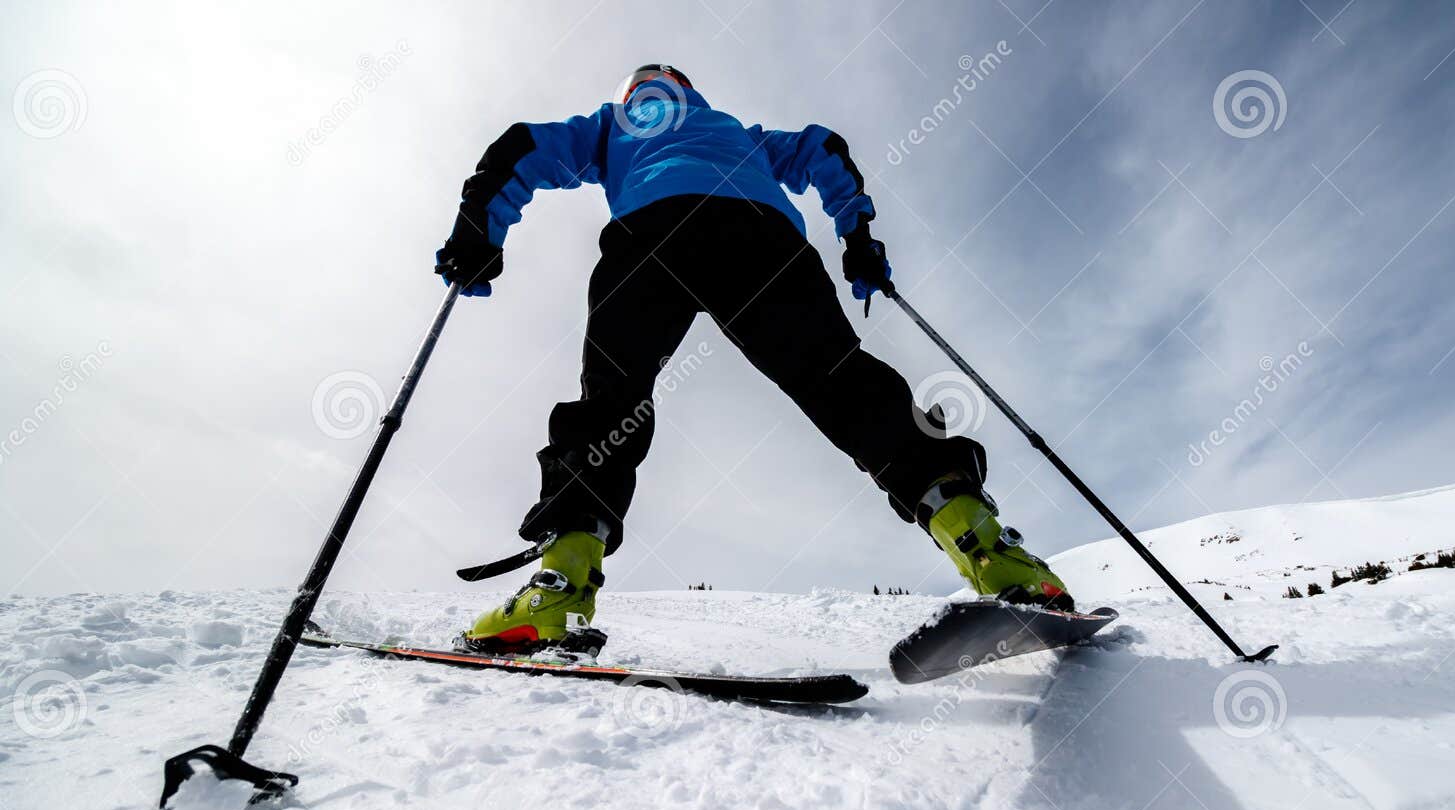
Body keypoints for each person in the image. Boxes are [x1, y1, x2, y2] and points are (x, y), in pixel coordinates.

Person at [435, 64, 1072, 654]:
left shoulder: (613, 124)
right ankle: (988, 547)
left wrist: (477, 231)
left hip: (649, 235)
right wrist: (858, 237)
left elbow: (521, 148)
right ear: (691, 90)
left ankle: (560, 589)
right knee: (839, 379)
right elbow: (826, 150)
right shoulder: (740, 133)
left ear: (634, 92)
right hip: (759, 236)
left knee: (613, 398)